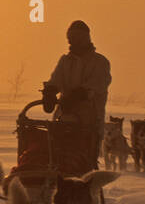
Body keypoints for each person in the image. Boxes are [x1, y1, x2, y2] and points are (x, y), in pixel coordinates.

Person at [41, 20, 111, 169]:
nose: (73, 42)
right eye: (71, 38)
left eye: (77, 38)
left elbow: (96, 86)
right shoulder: (66, 61)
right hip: (63, 119)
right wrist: (50, 91)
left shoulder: (99, 62)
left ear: (86, 38)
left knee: (83, 162)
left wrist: (78, 95)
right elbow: (56, 79)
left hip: (89, 122)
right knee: (58, 158)